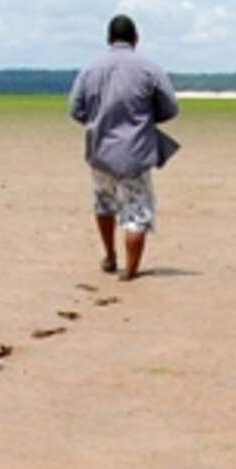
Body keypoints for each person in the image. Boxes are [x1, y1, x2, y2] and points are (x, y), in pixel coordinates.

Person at [68, 14, 179, 280]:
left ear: (108, 39)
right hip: (136, 152)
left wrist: (96, 122)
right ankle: (130, 271)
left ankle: (110, 255)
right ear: (136, 39)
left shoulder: (90, 68)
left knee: (104, 204)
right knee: (137, 212)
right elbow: (170, 108)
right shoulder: (149, 68)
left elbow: (75, 109)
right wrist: (144, 119)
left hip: (100, 152)